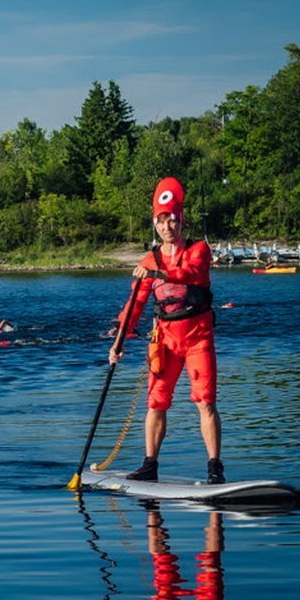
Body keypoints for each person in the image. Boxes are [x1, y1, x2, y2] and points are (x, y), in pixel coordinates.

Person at [108, 177, 224, 484]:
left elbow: (192, 274)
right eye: (161, 221)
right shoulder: (150, 260)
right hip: (166, 341)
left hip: (198, 338)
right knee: (155, 401)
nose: (167, 227)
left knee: (205, 400)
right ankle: (150, 465)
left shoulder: (199, 250)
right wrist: (120, 339)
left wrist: (158, 272)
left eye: (172, 220)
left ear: (181, 221)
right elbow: (135, 304)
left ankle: (215, 469)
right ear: (155, 225)